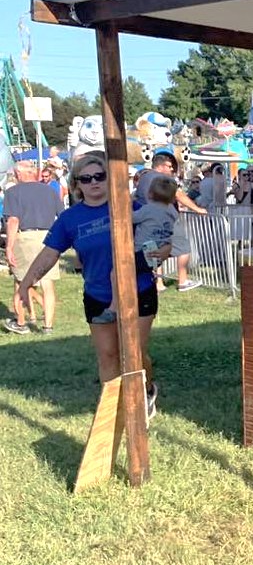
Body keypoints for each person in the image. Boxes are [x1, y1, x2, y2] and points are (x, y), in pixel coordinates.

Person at [17, 153, 169, 413]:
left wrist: (164, 250)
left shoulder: (129, 208)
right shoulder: (70, 219)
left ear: (109, 179)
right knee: (108, 354)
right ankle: (113, 411)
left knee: (135, 352)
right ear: (77, 184)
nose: (94, 182)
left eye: (99, 176)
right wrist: (26, 282)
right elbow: (49, 253)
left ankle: (146, 391)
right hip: (98, 294)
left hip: (138, 289)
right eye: (86, 179)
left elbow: (163, 235)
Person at [91, 175, 179, 325]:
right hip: (157, 253)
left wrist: (127, 204)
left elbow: (128, 218)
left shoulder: (148, 209)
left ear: (150, 194)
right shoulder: (172, 212)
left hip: (140, 252)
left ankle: (114, 307)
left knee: (116, 273)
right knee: (140, 275)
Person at [3, 160, 64, 334]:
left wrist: (9, 247)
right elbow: (62, 215)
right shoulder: (50, 191)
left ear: (19, 174)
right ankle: (48, 326)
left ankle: (21, 323)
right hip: (48, 237)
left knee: (21, 281)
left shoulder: (12, 192)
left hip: (25, 237)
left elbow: (13, 220)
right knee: (47, 283)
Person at [138, 151, 206, 292]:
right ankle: (183, 281)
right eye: (169, 166)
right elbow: (178, 194)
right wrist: (197, 209)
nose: (172, 169)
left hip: (149, 220)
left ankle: (158, 283)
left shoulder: (144, 178)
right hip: (167, 220)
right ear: (161, 166)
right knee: (184, 248)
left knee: (156, 250)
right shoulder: (161, 179)